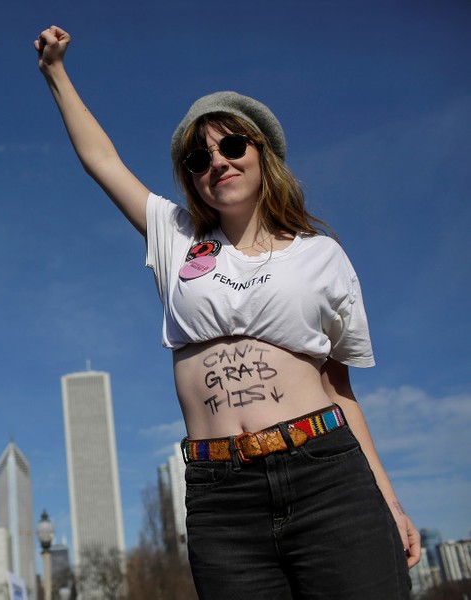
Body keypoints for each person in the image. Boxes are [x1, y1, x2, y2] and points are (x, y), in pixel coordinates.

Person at [34, 25, 420, 599]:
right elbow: (102, 159)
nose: (217, 161)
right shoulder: (176, 236)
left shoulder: (321, 256)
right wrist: (56, 73)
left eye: (232, 146)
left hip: (326, 473)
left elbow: (339, 387)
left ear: (263, 154)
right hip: (221, 494)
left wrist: (389, 500)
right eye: (199, 156)